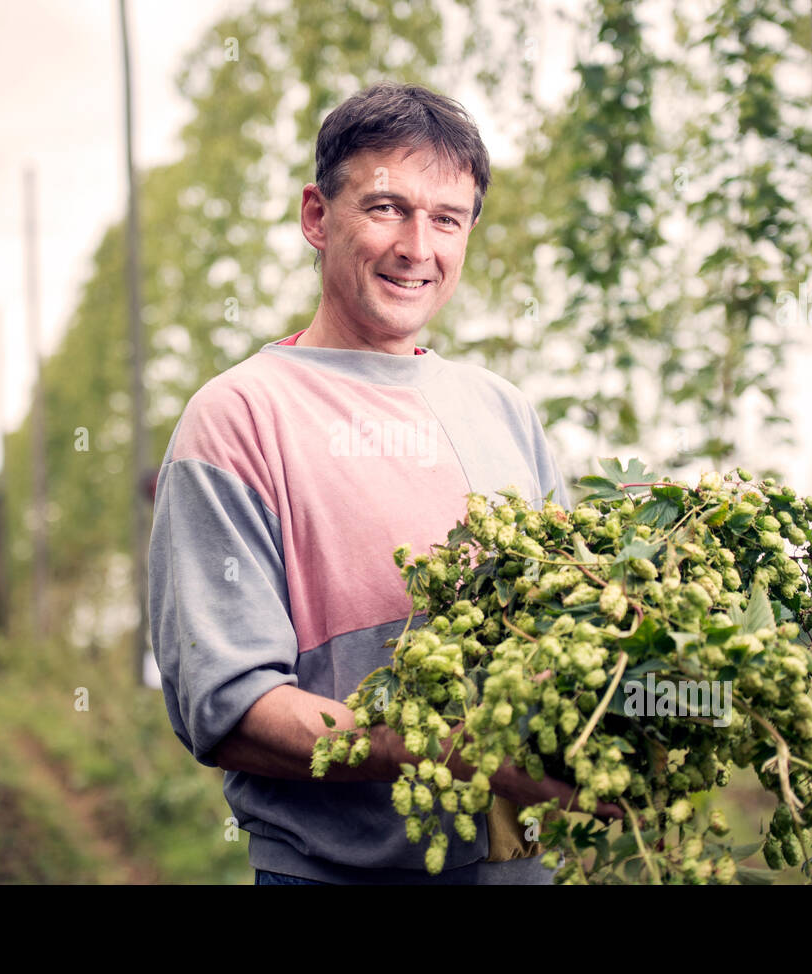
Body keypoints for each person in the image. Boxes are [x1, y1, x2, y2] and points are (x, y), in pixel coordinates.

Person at [148, 81, 619, 886]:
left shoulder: (502, 410)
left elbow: (571, 637)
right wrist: (454, 753)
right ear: (315, 217)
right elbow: (229, 712)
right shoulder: (238, 418)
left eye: (447, 219)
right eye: (386, 208)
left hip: (523, 871)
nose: (417, 247)